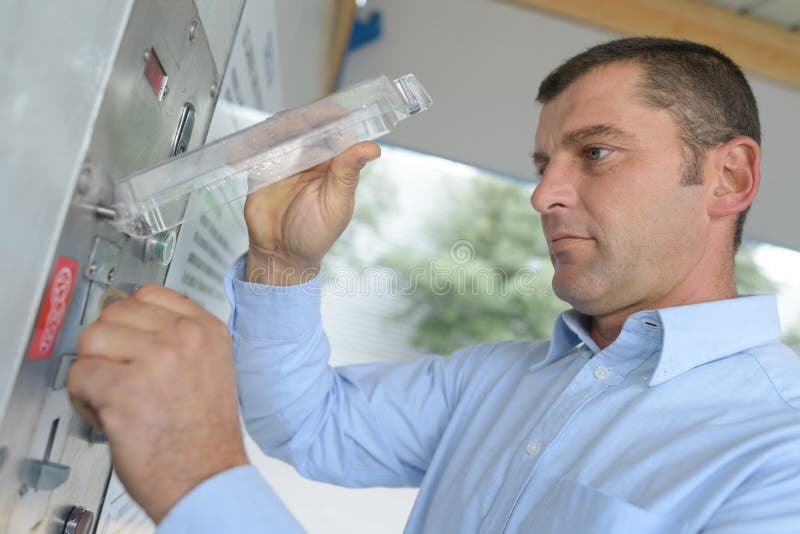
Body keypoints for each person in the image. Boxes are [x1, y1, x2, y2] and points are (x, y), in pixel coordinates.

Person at [67, 37, 800, 533]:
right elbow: (309, 428)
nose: (544, 195)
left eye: (596, 153)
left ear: (727, 177)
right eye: (544, 163)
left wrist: (201, 483)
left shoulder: (780, 459)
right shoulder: (499, 378)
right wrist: (282, 267)